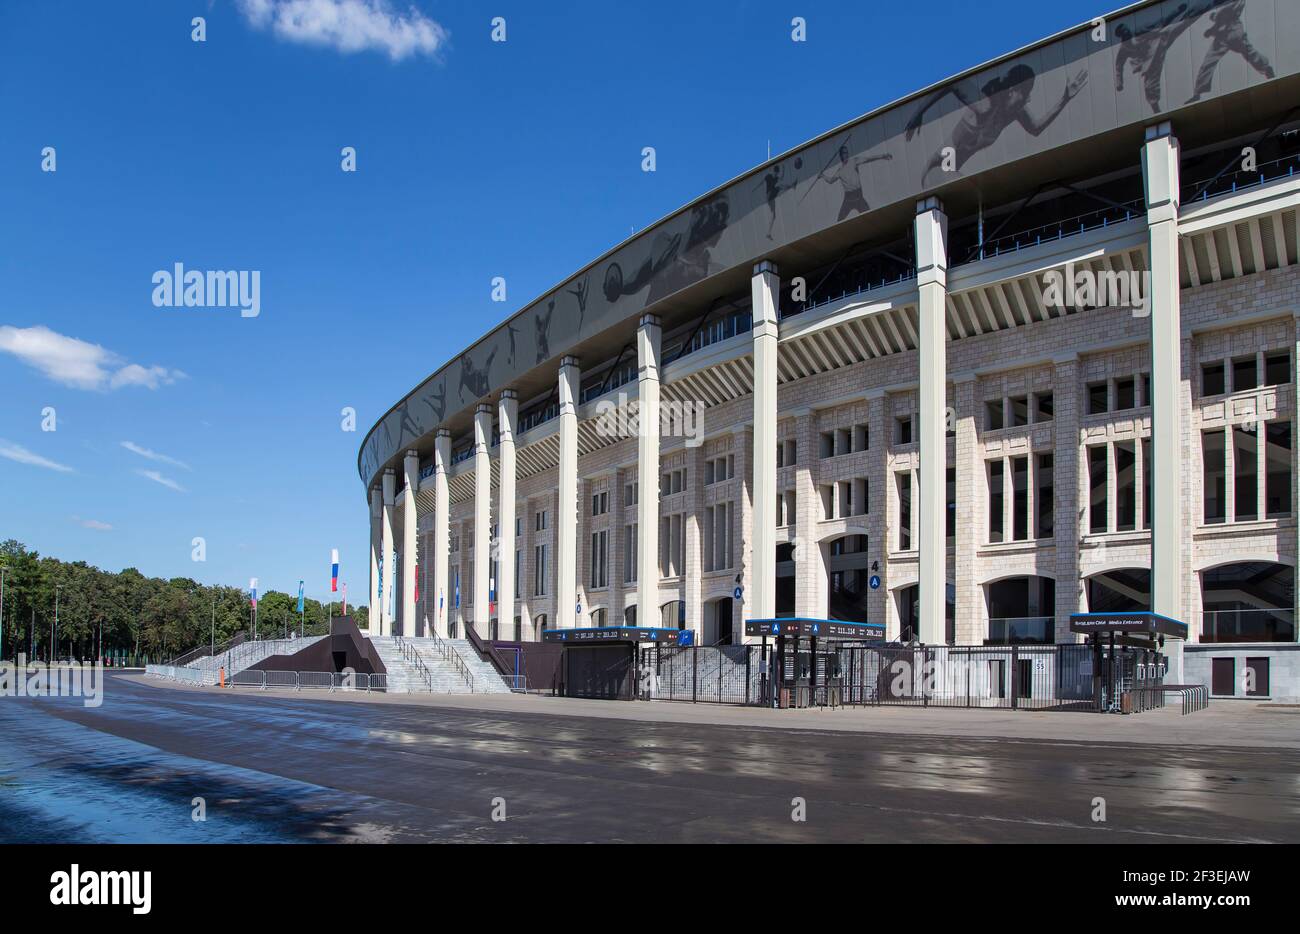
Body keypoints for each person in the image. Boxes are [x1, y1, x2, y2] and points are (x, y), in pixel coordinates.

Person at [906, 64, 1088, 188]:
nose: (1028, 99)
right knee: (976, 191)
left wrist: (1064, 99)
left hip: (952, 174)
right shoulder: (986, 105)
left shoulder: (1014, 112)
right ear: (1011, 90)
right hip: (936, 170)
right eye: (1025, 93)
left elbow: (1036, 129)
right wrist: (918, 114)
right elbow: (953, 83)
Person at [1187, 0, 1274, 104]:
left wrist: (1213, 20)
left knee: (1250, 53)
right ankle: (1197, 93)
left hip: (1234, 29)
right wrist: (1212, 28)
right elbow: (1221, 15)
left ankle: (1267, 68)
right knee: (1208, 62)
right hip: (1223, 33)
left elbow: (1225, 13)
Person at [1113, 3, 1196, 112]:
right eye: (1124, 32)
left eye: (1126, 29)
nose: (1127, 31)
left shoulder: (1140, 29)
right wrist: (1119, 83)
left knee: (1182, 24)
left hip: (1161, 40)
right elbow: (1119, 66)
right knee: (1149, 86)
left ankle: (1205, 6)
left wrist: (1177, 11)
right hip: (1150, 60)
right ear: (1121, 35)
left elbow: (1161, 22)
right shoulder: (1124, 48)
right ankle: (1157, 112)